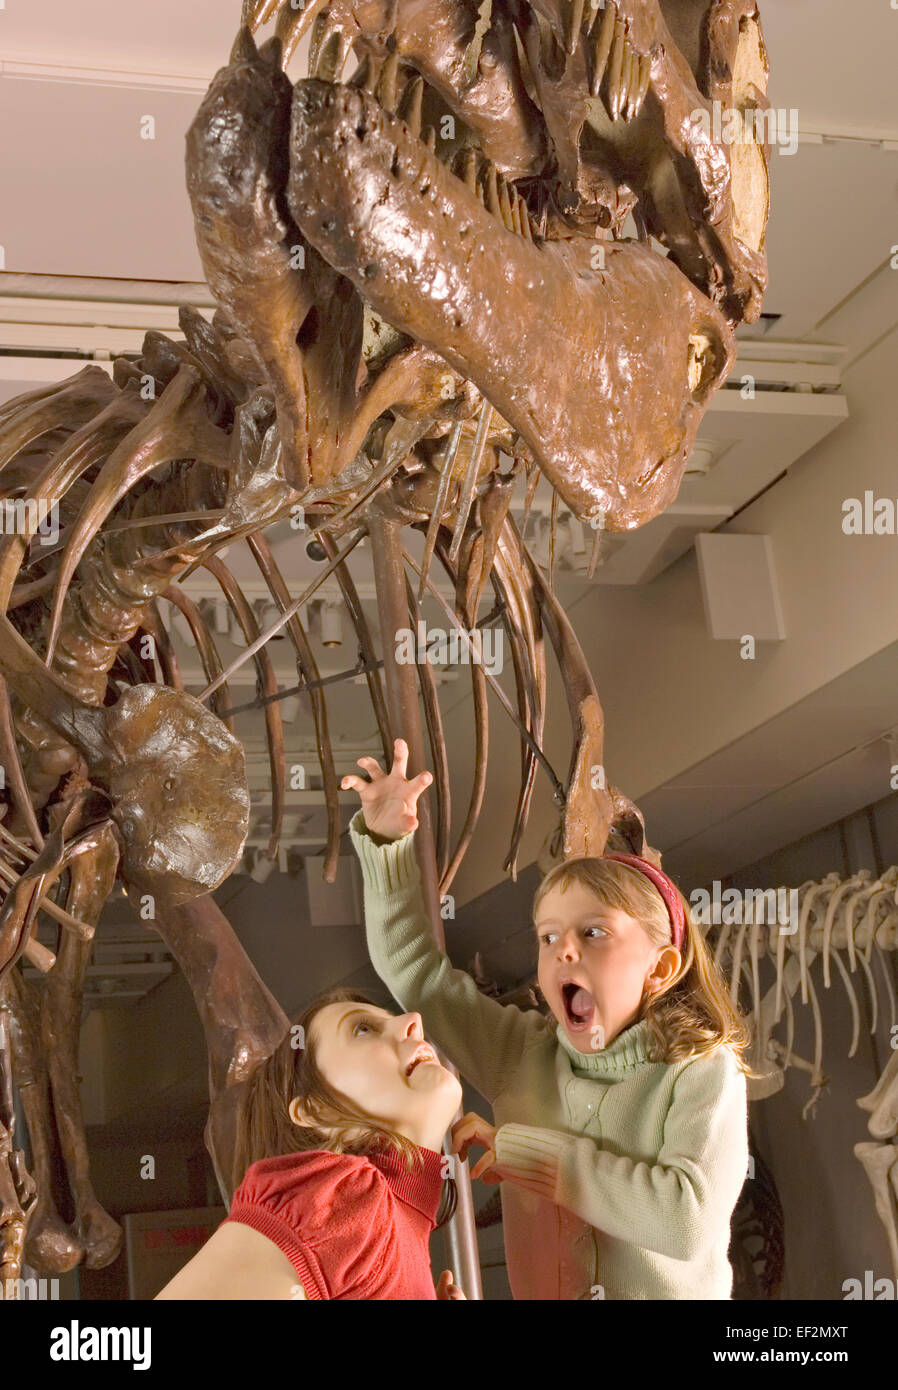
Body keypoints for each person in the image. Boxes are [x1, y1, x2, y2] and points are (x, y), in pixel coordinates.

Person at [344, 738, 756, 1300]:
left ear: (660, 968)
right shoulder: (518, 1053)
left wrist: (527, 1153)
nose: (564, 949)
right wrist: (388, 843)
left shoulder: (702, 1070)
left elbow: (686, 1220)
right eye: (548, 936)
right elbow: (412, 966)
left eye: (593, 932)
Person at [156, 985, 465, 1299]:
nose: (412, 1020)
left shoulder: (394, 1225)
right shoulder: (341, 1203)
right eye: (363, 1029)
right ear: (317, 1110)